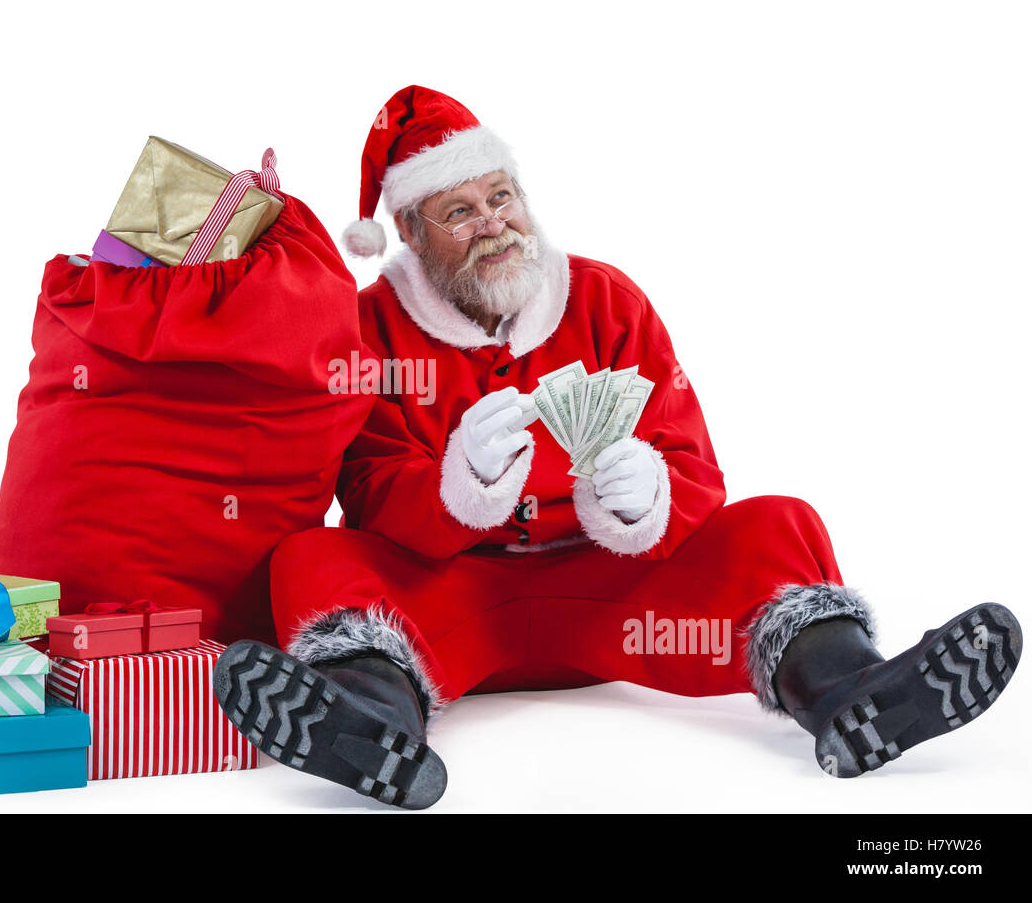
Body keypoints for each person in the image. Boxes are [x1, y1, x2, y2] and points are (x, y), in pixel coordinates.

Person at [211, 85, 1021, 809]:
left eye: (502, 197)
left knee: (779, 523)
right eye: (459, 212)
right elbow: (368, 483)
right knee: (311, 557)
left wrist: (649, 497)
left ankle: (849, 690)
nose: (494, 224)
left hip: (618, 601)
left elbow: (696, 467)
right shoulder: (369, 327)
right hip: (452, 603)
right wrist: (456, 489)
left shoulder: (604, 298)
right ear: (412, 235)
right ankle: (371, 719)